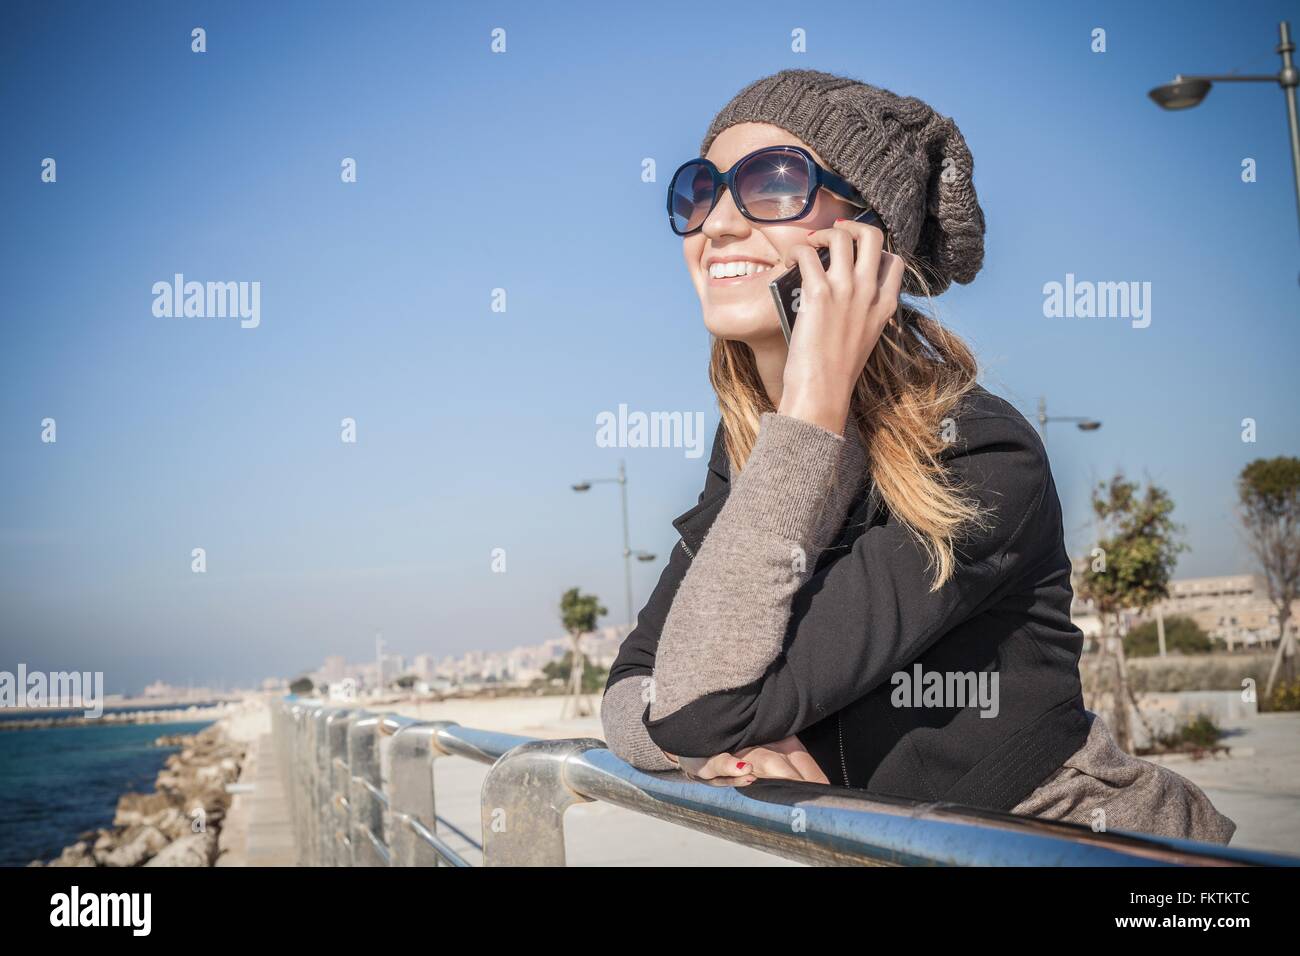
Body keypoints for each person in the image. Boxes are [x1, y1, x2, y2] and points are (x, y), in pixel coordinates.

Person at [601, 69, 1235, 845]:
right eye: (702, 190)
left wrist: (811, 408)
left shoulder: (981, 456)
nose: (719, 225)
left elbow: (697, 705)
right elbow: (633, 684)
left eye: (772, 184)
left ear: (869, 240)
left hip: (1081, 853)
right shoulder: (751, 459)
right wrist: (695, 748)